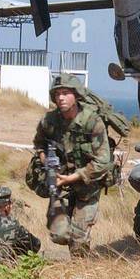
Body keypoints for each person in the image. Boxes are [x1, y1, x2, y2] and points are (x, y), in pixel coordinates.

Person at [32, 74, 113, 257]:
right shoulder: (49, 121)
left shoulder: (92, 121)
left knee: (78, 239)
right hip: (61, 185)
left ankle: (80, 268)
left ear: (76, 96)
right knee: (59, 234)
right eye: (57, 94)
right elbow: (39, 144)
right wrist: (46, 162)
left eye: (65, 93)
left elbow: (103, 161)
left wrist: (73, 177)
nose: (60, 98)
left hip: (88, 186)